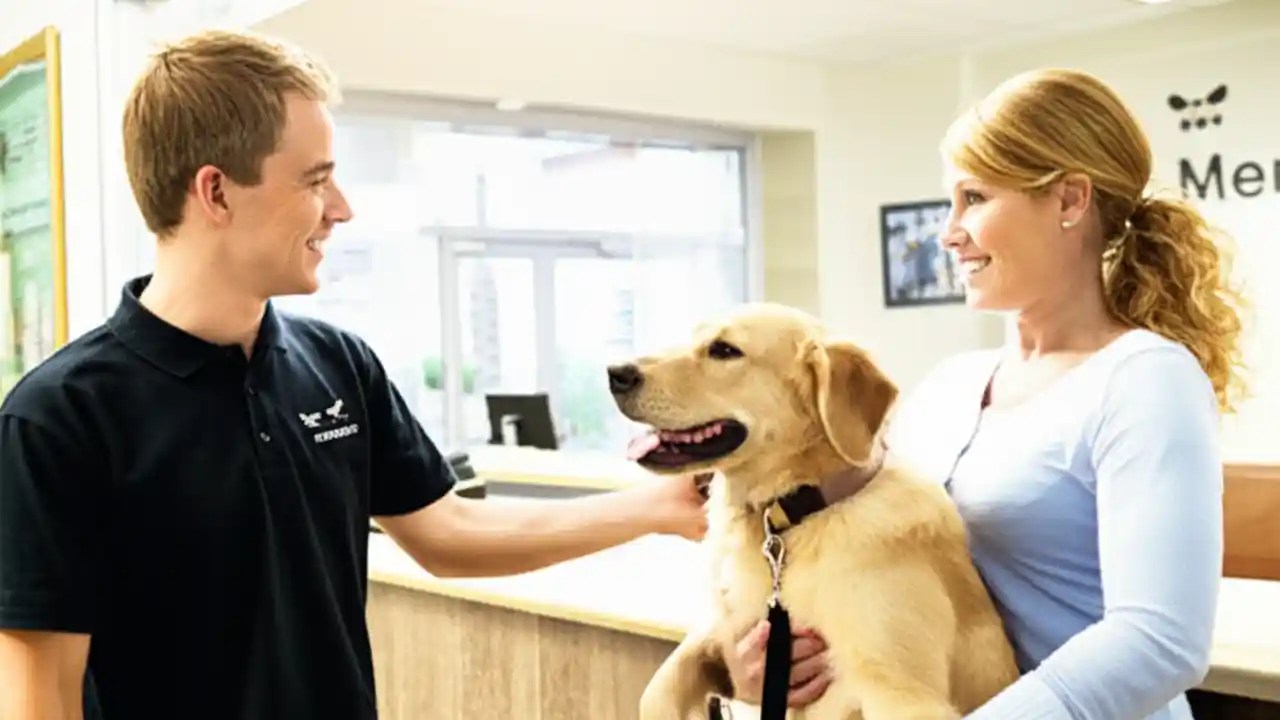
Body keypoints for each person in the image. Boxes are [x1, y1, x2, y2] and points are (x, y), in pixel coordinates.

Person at [0, 29, 708, 720]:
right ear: (215, 193)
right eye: (315, 181)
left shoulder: (338, 364)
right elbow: (41, 696)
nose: (341, 209)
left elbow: (449, 532)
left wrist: (656, 508)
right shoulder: (57, 418)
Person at [724, 68, 1244, 719]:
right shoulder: (949, 387)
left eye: (974, 198)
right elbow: (875, 569)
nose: (948, 232)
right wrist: (766, 661)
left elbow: (1160, 642)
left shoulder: (1146, 381)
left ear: (1069, 201)